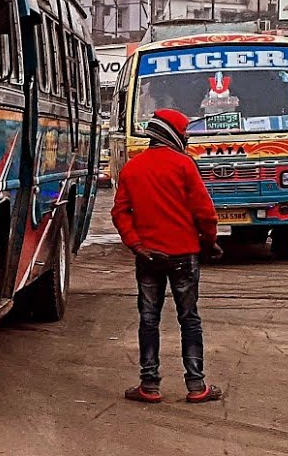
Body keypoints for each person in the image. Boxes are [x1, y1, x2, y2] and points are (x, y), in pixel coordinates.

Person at [111, 109, 223, 405]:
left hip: (148, 257)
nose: (186, 139)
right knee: (190, 319)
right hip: (184, 255)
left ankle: (149, 385)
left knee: (149, 320)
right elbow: (204, 213)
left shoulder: (132, 169)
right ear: (173, 134)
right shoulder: (184, 165)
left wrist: (136, 245)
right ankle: (196, 385)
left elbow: (119, 212)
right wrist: (210, 243)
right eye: (184, 133)